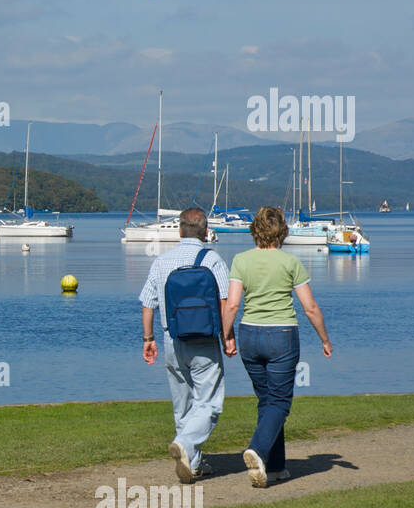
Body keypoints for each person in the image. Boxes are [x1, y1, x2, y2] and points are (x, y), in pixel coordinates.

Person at [222, 206, 333, 488]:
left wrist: (227, 335)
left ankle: (275, 466)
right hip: (281, 335)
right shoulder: (290, 263)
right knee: (280, 402)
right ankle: (257, 450)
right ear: (281, 231)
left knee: (267, 400)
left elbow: (233, 304)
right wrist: (324, 339)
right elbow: (310, 307)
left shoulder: (240, 260)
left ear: (255, 229)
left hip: (249, 335)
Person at [139, 207, 232, 483]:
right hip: (205, 341)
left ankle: (192, 463)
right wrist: (228, 336)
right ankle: (186, 446)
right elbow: (225, 302)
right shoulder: (213, 260)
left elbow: (147, 302)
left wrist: (148, 339)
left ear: (179, 231)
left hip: (172, 339)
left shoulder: (161, 261)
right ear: (205, 232)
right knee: (210, 404)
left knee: (183, 405)